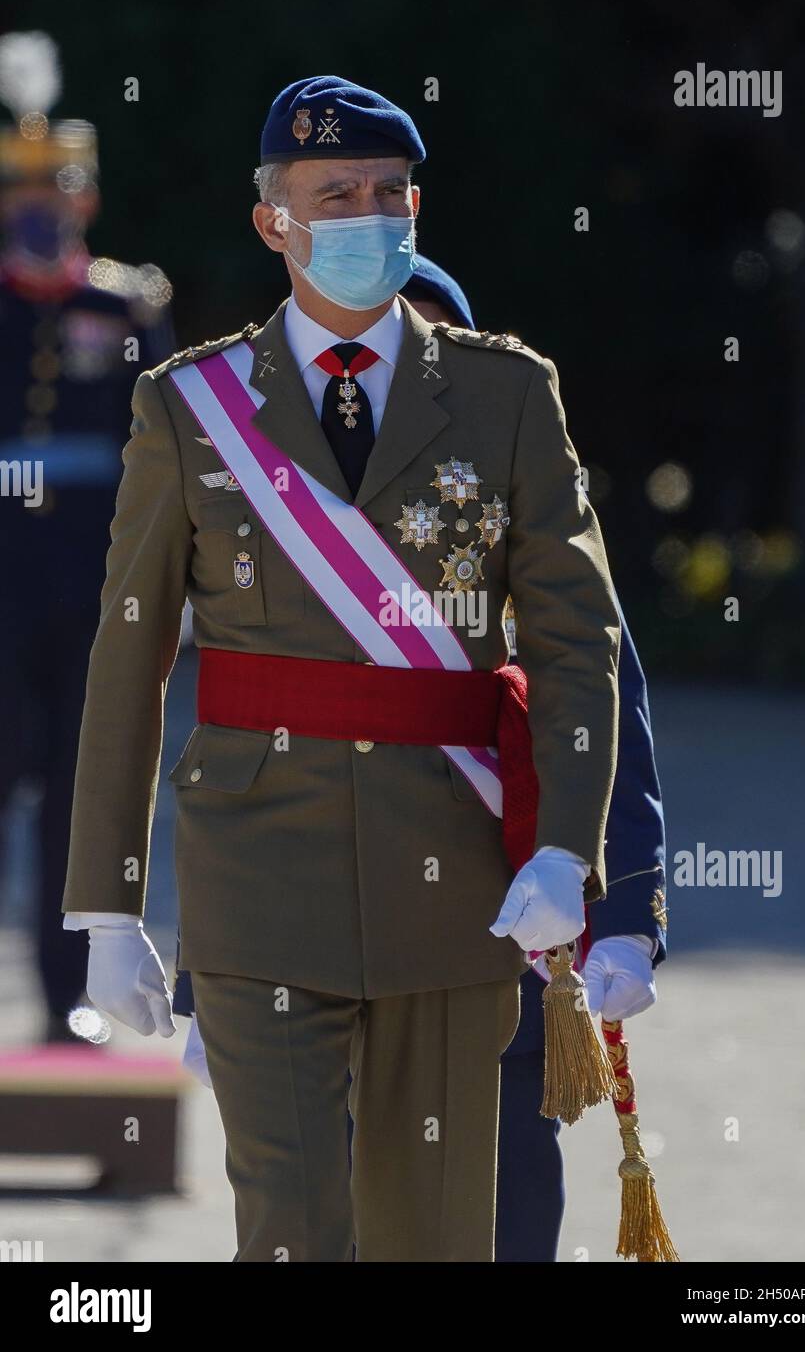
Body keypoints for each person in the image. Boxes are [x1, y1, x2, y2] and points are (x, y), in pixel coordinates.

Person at [62, 75, 648, 1262]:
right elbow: (128, 660)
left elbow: (577, 638)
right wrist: (107, 904)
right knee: (290, 1229)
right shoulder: (188, 409)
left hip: (454, 878)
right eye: (335, 195)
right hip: (255, 872)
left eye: (389, 194)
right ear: (273, 220)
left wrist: (562, 850)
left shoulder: (505, 394)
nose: (367, 216)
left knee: (431, 1238)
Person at [176, 253, 667, 1262]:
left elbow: (602, 717)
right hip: (307, 954)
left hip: (495, 948)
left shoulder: (528, 519)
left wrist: (622, 917)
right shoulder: (279, 551)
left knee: (499, 1218)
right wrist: (205, 977)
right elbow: (232, 770)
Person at [0, 31, 173, 1043]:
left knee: (78, 796)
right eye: (24, 189)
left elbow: (159, 463)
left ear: (87, 199)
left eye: (61, 188)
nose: (40, 206)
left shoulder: (126, 306)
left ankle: (69, 1003)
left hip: (92, 592)